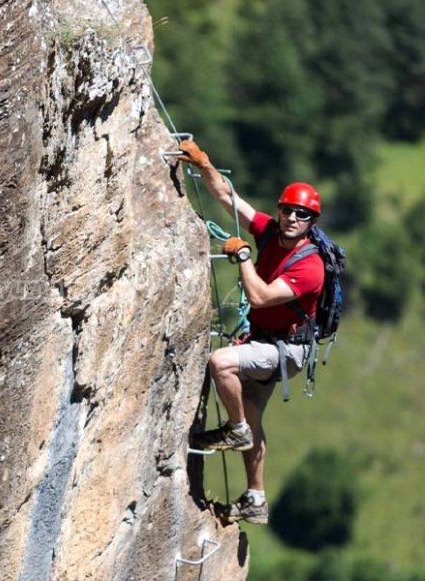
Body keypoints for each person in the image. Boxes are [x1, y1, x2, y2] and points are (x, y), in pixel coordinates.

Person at [178, 139, 325, 525]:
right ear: (280, 210)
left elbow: (258, 297)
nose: (293, 218)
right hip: (264, 341)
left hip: (287, 352)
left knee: (221, 363)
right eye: (288, 210)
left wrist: (243, 256)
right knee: (254, 414)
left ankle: (235, 428)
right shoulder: (268, 232)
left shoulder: (310, 268)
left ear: (312, 222)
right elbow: (230, 199)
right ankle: (255, 499)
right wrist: (205, 164)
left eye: (303, 214)